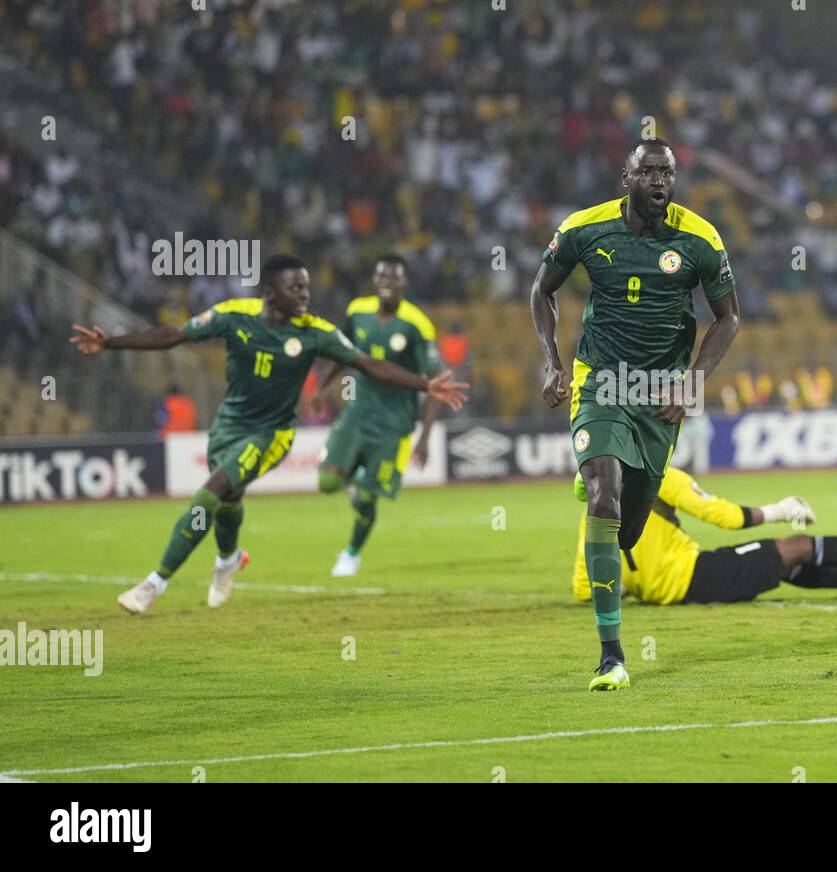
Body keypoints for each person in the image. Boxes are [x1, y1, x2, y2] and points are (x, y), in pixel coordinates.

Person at [69, 254, 467, 614]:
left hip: (271, 434)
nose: (305, 294)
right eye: (296, 288)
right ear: (270, 293)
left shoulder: (315, 332)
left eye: (307, 286)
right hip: (229, 425)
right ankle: (228, 560)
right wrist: (111, 344)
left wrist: (423, 385)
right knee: (227, 501)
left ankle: (153, 585)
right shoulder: (234, 315)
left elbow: (366, 364)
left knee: (209, 494)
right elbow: (174, 334)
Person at [529, 138, 741, 690]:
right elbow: (542, 289)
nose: (658, 181)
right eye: (647, 171)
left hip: (659, 389)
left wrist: (693, 382)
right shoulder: (586, 229)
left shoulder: (698, 238)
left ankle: (605, 481)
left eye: (666, 173)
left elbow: (729, 318)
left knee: (628, 532)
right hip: (600, 378)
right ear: (626, 177)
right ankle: (611, 655)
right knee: (604, 494)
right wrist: (552, 362)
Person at [571, 467, 837, 609]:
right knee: (794, 548)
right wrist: (780, 510)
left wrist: (639, 583)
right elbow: (723, 516)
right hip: (696, 576)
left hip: (685, 582)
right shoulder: (658, 477)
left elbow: (584, 587)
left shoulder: (594, 513)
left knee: (777, 565)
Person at [317, 255, 443, 576]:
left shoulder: (417, 324)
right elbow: (342, 351)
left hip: (394, 425)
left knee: (367, 499)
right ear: (375, 281)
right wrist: (322, 388)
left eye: (394, 277)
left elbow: (437, 382)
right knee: (327, 481)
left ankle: (351, 554)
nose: (387, 282)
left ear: (404, 284)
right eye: (382, 276)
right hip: (357, 412)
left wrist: (424, 437)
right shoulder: (357, 311)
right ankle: (354, 480)